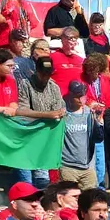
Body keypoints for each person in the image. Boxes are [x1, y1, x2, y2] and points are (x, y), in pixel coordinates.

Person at [13, 56, 67, 188]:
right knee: (26, 181)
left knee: (42, 181)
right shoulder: (25, 84)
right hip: (27, 138)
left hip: (45, 139)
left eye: (48, 74)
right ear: (36, 71)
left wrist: (54, 115)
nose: (45, 77)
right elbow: (22, 112)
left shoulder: (54, 87)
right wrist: (48, 115)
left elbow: (59, 111)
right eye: (43, 74)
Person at [58, 81, 103, 189]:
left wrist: (99, 122)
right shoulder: (63, 113)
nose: (80, 99)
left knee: (91, 197)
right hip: (67, 166)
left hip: (87, 167)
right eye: (77, 97)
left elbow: (98, 138)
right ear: (70, 95)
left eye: (82, 96)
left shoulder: (89, 113)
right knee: (70, 196)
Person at [50, 27, 86, 95]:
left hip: (76, 98)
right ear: (62, 39)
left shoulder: (81, 60)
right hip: (58, 97)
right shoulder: (52, 57)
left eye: (75, 38)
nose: (72, 40)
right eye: (69, 38)